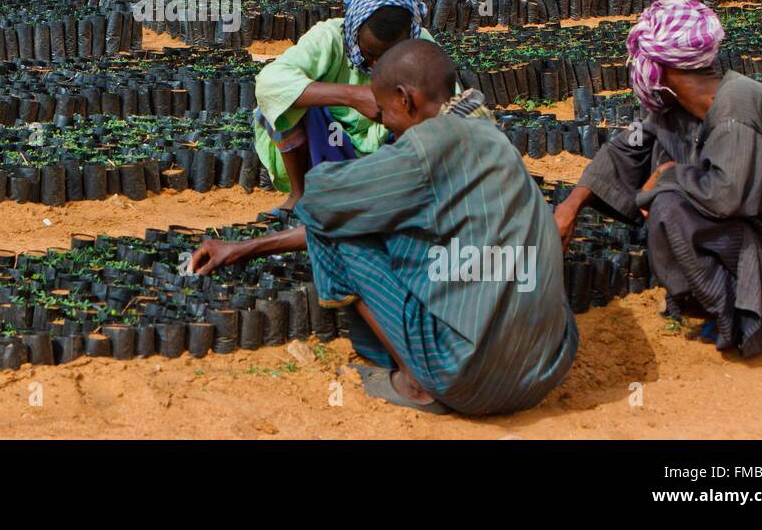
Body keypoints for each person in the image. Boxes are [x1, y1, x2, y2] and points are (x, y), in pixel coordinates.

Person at [195, 40, 578, 415]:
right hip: (544, 369)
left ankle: (416, 383)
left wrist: (356, 175)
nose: (383, 126)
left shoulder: (423, 148)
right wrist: (244, 248)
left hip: (467, 377)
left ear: (405, 99)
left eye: (382, 112)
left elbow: (323, 204)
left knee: (340, 227)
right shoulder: (491, 137)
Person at [554, 0, 762, 358]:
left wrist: (670, 177)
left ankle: (741, 317)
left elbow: (727, 195)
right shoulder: (676, 108)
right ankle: (716, 300)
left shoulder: (737, 107)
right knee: (664, 182)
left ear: (665, 69)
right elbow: (628, 149)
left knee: (670, 204)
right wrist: (570, 205)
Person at [253, 0, 438, 211]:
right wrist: (353, 96)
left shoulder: (420, 45)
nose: (378, 64)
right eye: (370, 54)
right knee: (279, 102)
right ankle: (300, 195)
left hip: (389, 148)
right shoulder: (330, 37)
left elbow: (448, 105)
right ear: (353, 32)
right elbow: (270, 82)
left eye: (390, 55)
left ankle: (397, 197)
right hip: (328, 137)